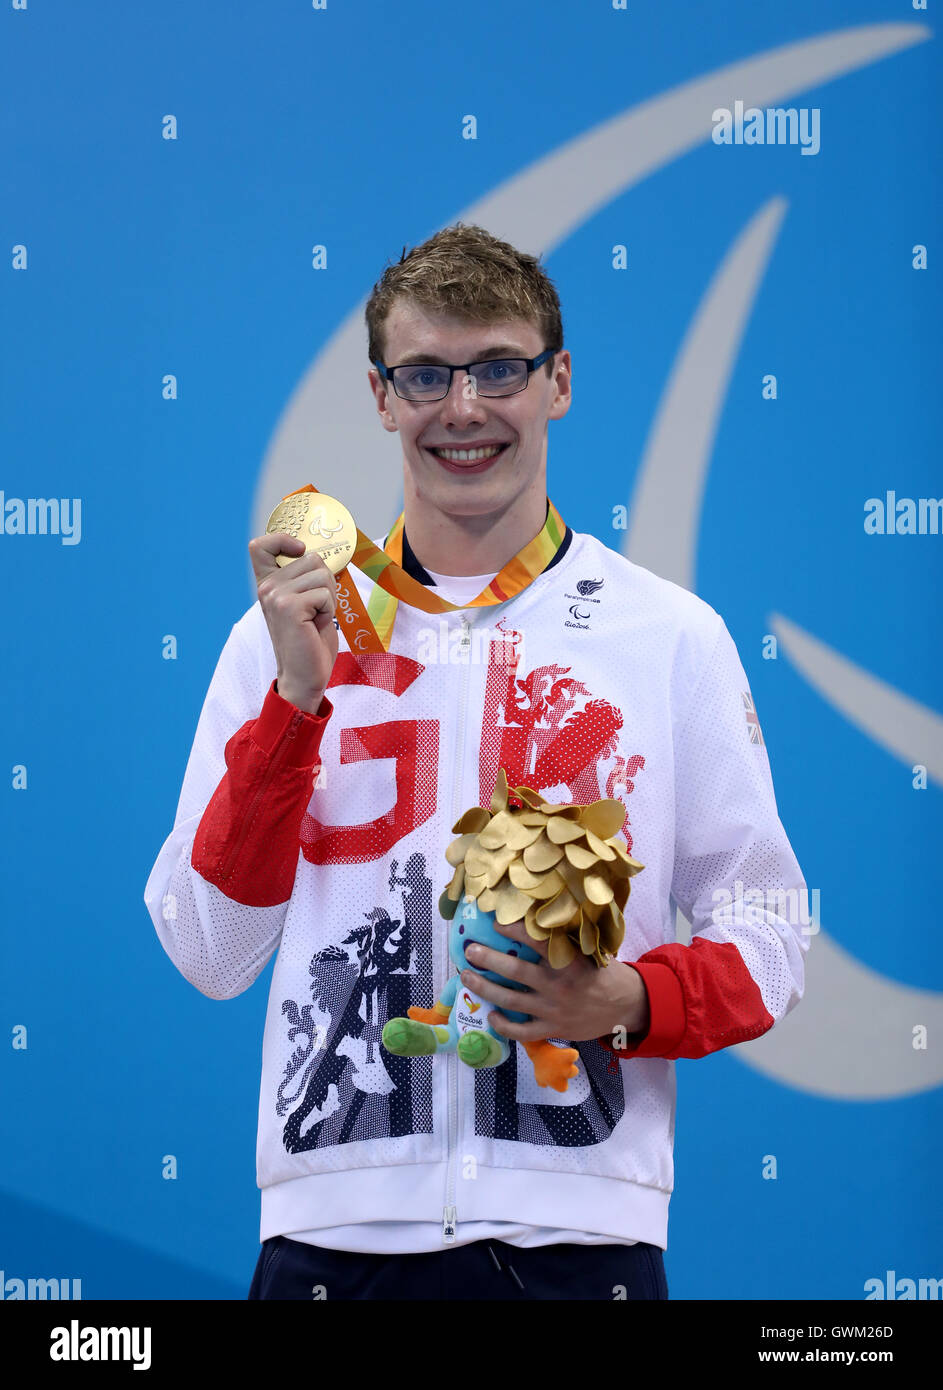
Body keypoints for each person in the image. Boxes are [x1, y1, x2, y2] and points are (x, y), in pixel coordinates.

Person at [143, 222, 808, 1301]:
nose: (463, 408)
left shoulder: (668, 634)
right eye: (426, 374)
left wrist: (630, 997)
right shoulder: (282, 636)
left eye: (499, 367)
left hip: (582, 1247)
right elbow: (207, 948)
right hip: (330, 1239)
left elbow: (771, 929)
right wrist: (294, 705)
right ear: (380, 396)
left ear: (558, 382)